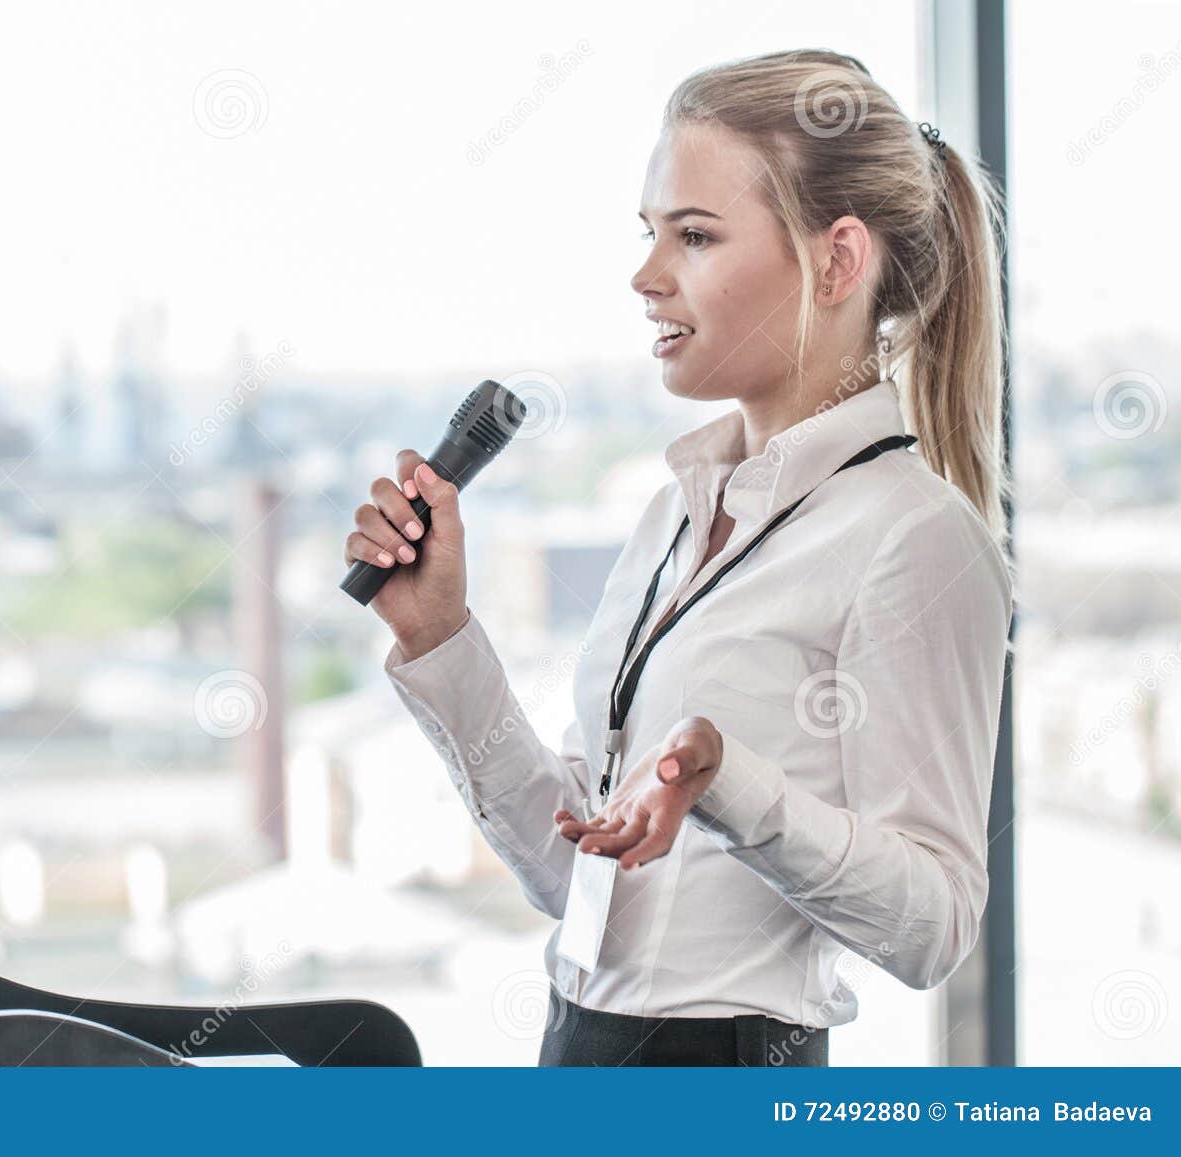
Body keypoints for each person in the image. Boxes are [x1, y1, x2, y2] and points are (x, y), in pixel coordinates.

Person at [342, 48, 1016, 1066]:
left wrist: (725, 781)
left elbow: (933, 924)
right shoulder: (672, 514)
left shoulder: (914, 538)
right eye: (650, 233)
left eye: (694, 235)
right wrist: (437, 635)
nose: (645, 275)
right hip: (575, 1053)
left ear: (837, 262)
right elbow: (577, 876)